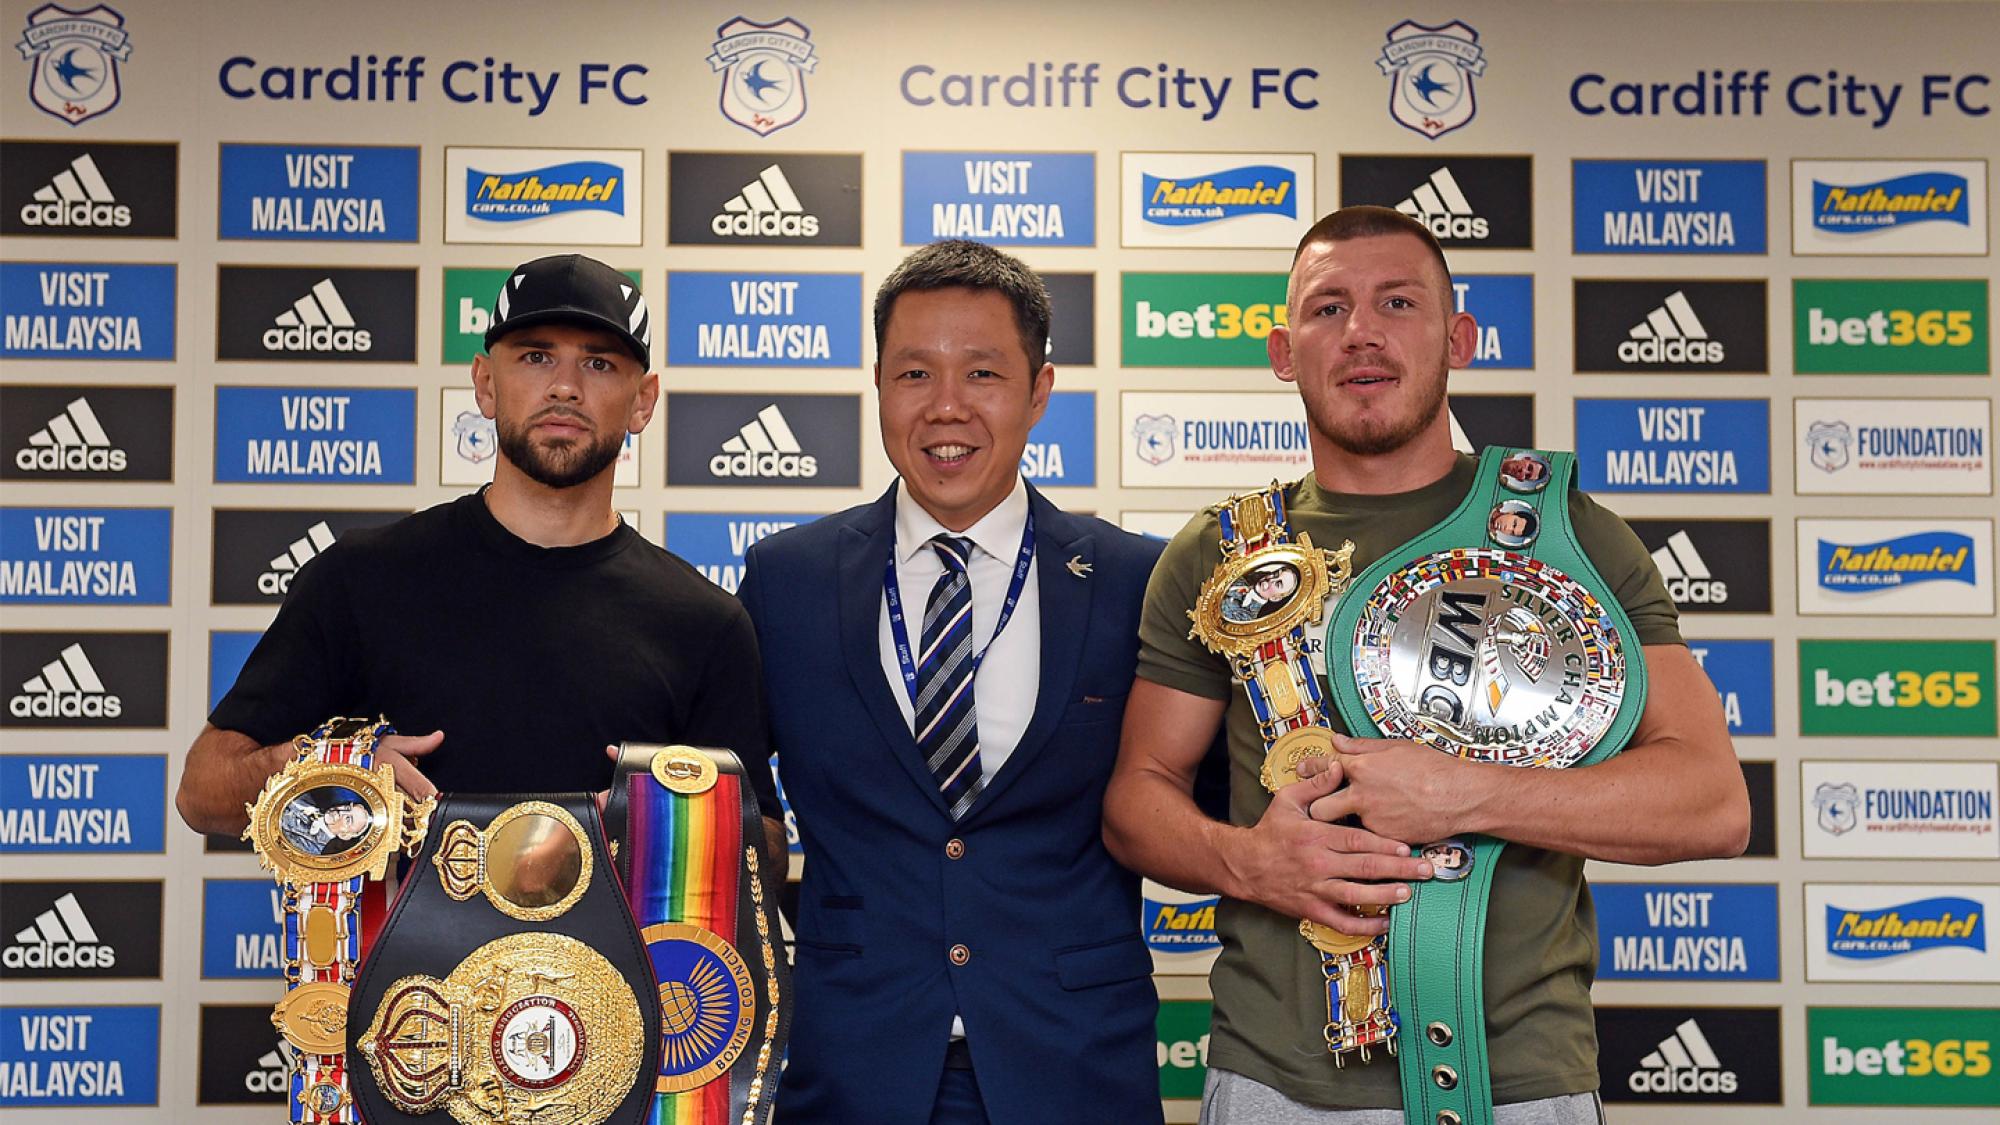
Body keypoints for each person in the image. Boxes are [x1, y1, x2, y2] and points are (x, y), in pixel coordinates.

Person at [1102, 207, 1748, 1124]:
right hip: (1275, 1081)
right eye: (1328, 309)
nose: (1361, 331)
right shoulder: (1223, 553)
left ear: (1460, 338)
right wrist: (1250, 862)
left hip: (1522, 1080)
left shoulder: (1566, 537)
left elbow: (1712, 802)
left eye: (1396, 303)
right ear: (1285, 353)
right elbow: (1139, 795)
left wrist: (1467, 793)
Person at [738, 240, 1165, 1125]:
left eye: (983, 372)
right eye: (913, 373)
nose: (946, 407)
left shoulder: (1136, 581)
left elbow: (1198, 800)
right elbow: (724, 806)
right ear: (878, 385)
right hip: (853, 1064)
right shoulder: (787, 579)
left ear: (1040, 391)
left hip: (1073, 1064)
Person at [176, 253, 783, 865]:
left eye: (598, 364)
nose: (565, 387)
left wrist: (665, 819)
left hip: (612, 966)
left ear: (642, 402)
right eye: (535, 356)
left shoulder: (705, 623)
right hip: (405, 965)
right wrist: (343, 778)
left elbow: (768, 856)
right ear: (486, 384)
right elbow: (203, 791)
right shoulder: (361, 580)